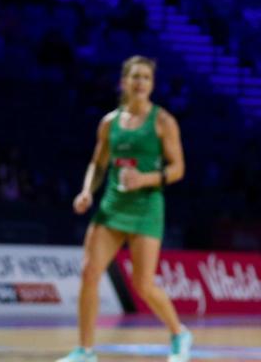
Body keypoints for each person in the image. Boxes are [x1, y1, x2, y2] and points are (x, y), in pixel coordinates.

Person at [59, 56, 191, 362]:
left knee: (143, 284)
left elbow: (179, 168)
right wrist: (86, 191)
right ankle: (85, 351)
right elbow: (98, 162)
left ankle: (179, 333)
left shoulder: (163, 122)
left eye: (146, 77)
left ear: (152, 84)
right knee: (89, 273)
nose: (141, 82)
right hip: (112, 207)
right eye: (135, 77)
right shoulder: (109, 123)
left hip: (147, 207)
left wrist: (145, 178)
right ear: (124, 82)